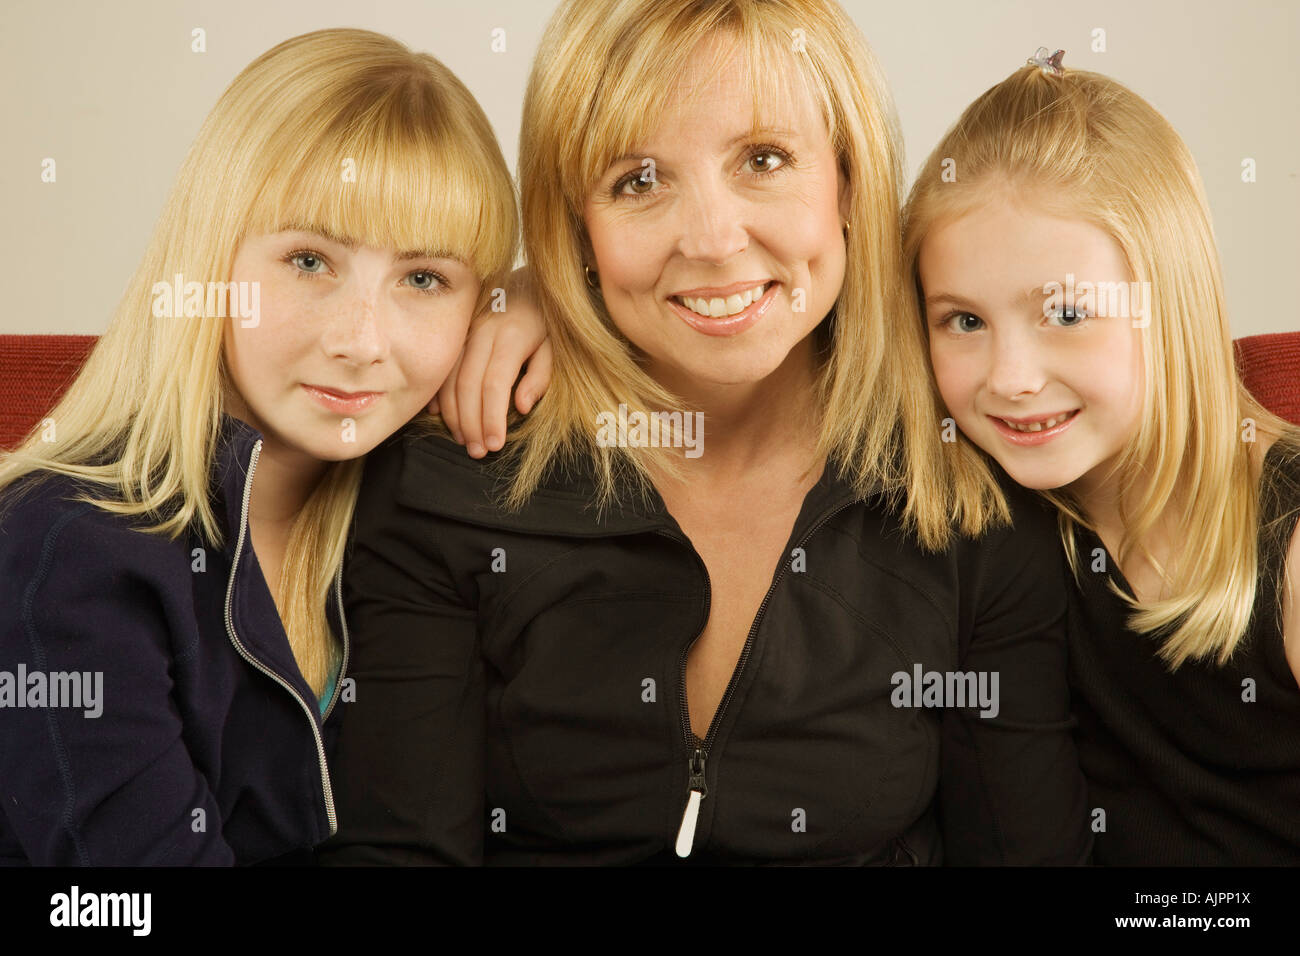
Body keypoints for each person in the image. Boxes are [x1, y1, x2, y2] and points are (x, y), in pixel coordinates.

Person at [321, 0, 1091, 866]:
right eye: (637, 182)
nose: (716, 240)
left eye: (764, 159)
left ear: (849, 181)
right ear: (577, 227)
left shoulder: (968, 483)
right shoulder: (455, 474)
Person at [0, 27, 518, 865]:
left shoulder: (416, 506)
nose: (362, 340)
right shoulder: (64, 547)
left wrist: (540, 310)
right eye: (309, 260)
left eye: (425, 279)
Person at [902, 50, 1300, 864]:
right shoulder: (1006, 503)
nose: (1011, 379)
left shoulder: (1290, 547)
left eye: (1067, 313)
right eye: (964, 321)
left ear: (1172, 298)